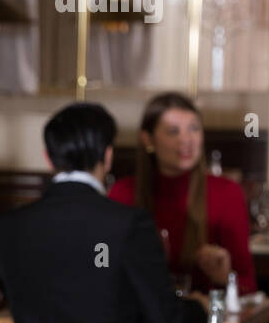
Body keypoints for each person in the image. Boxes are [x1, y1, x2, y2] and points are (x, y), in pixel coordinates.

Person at [0, 103, 206, 323]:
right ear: (107, 155)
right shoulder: (130, 224)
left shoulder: (3, 229)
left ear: (48, 158)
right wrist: (202, 308)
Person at [109, 92, 257, 295]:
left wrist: (224, 276)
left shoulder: (227, 193)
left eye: (194, 129)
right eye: (173, 131)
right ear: (148, 139)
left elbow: (248, 286)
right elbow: (104, 272)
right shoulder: (123, 193)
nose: (186, 140)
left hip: (203, 319)